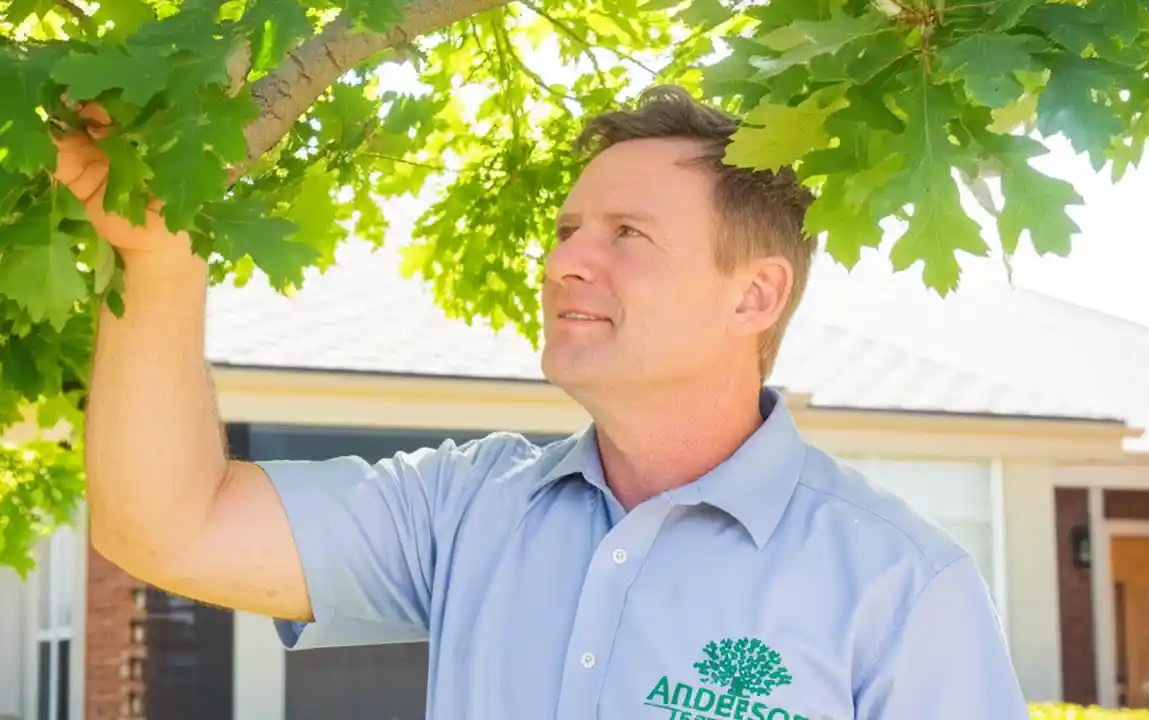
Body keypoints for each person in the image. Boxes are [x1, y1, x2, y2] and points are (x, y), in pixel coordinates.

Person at [63, 85, 1029, 719]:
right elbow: (165, 527)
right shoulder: (466, 509)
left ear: (755, 295)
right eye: (568, 230)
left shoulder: (901, 586)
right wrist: (156, 259)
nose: (565, 261)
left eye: (626, 234)